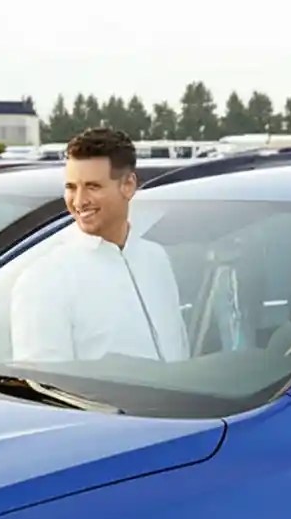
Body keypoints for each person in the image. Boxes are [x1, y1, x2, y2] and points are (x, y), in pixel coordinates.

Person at [10, 127, 189, 363]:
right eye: (71, 187)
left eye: (92, 186)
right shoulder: (45, 278)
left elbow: (179, 353)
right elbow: (44, 386)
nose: (79, 201)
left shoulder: (156, 258)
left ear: (128, 185)